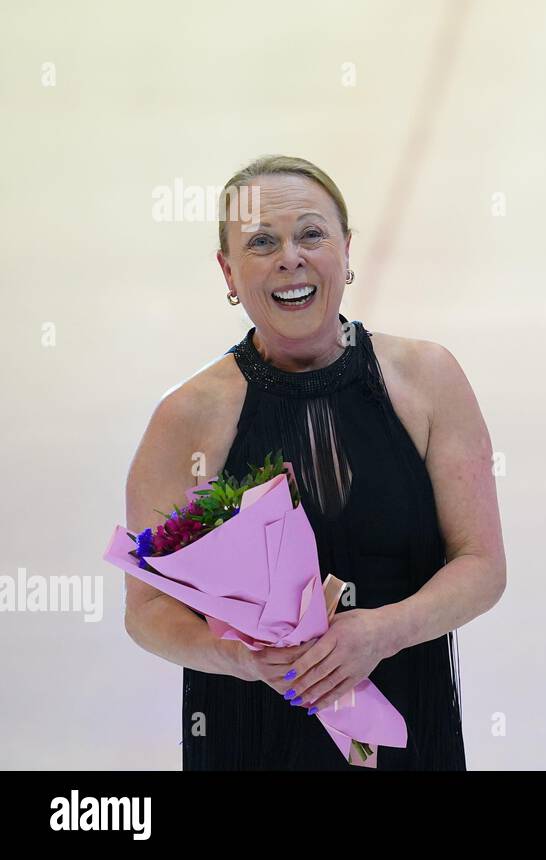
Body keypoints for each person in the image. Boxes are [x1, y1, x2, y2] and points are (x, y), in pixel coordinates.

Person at [123, 155, 505, 769]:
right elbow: (146, 610)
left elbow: (482, 565)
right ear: (227, 270)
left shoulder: (428, 381)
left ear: (347, 252)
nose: (290, 258)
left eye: (311, 234)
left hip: (406, 722)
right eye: (261, 242)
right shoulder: (187, 418)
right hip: (250, 733)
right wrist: (237, 658)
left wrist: (384, 632)